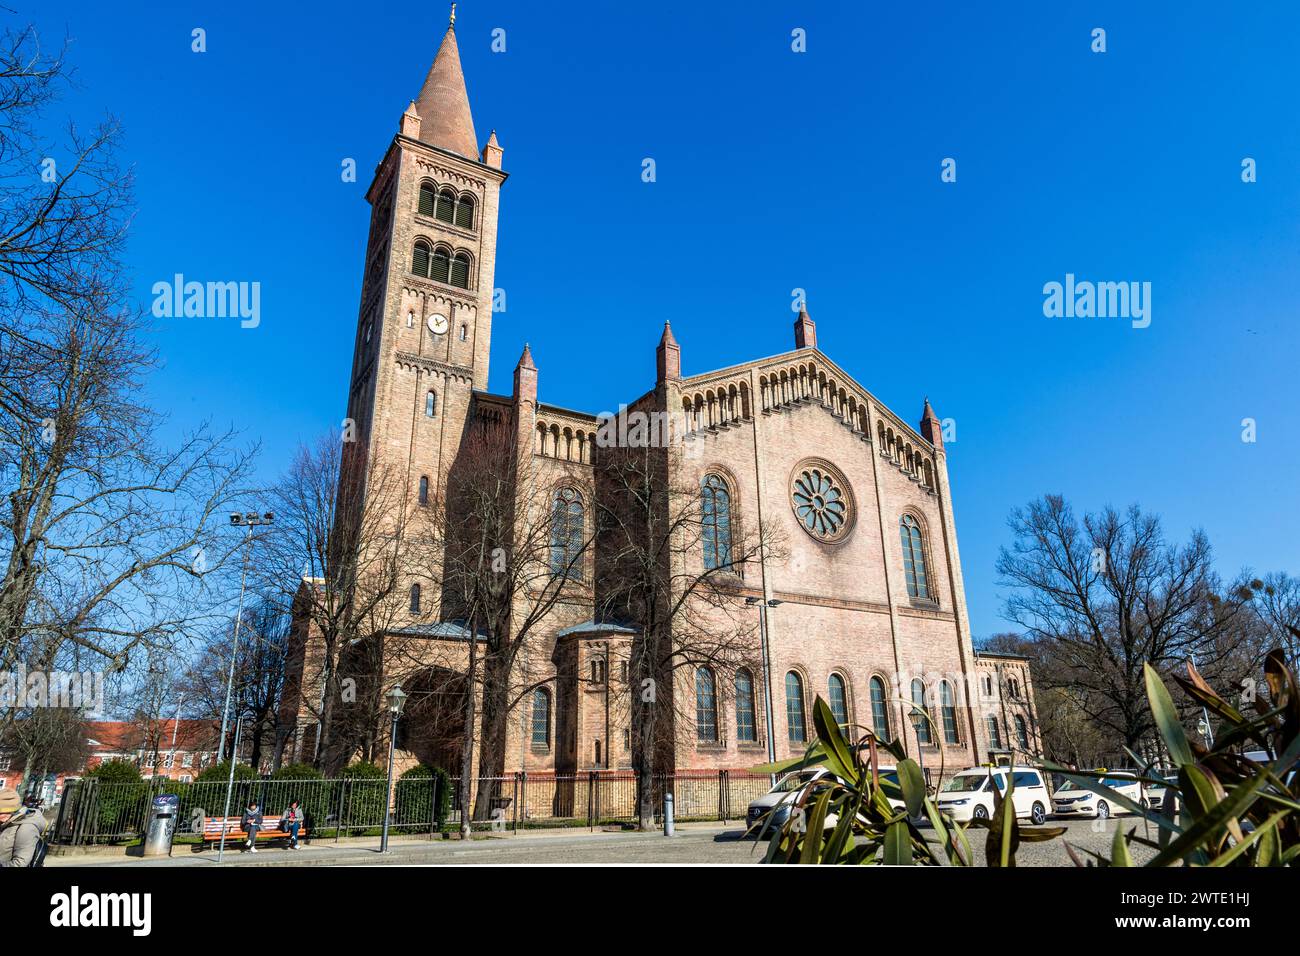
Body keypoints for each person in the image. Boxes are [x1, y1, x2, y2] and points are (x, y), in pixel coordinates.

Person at [0, 790, 48, 867]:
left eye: (2, 812)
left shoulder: (26, 828)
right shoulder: (5, 823)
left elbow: (20, 863)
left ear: (13, 811)